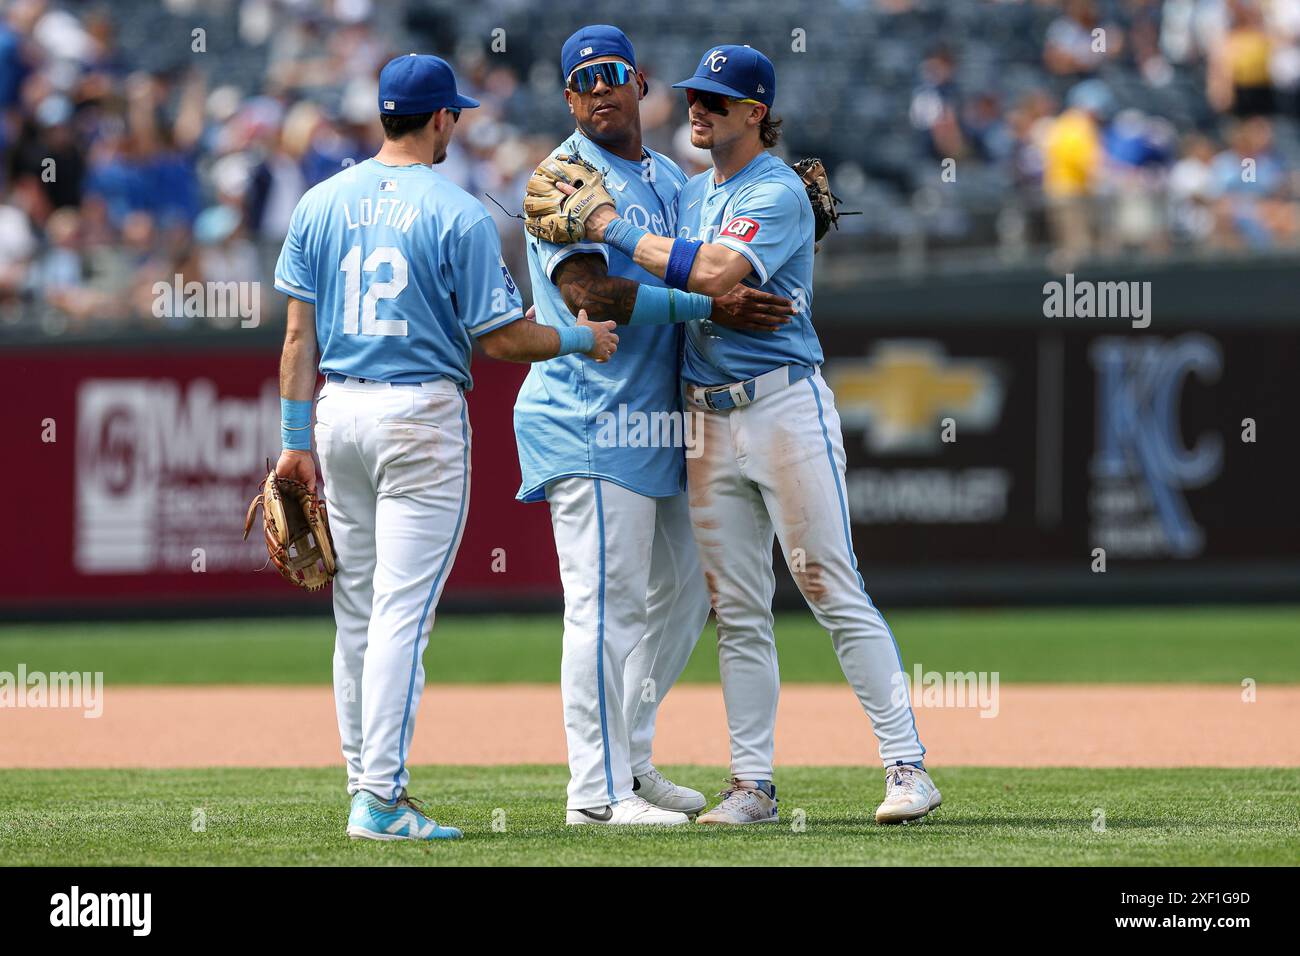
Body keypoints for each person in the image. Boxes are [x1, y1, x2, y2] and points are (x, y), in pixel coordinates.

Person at [558, 44, 939, 825]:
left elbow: (710, 277)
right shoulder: (693, 192)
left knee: (832, 587)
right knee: (735, 608)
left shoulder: (776, 187)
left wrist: (603, 224)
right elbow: (665, 286)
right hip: (703, 412)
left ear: (755, 113)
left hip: (780, 406)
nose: (698, 109)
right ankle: (752, 785)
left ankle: (908, 767)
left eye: (718, 101)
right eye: (696, 96)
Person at [273, 54, 617, 842]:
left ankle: (365, 784)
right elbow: (500, 341)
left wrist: (294, 444)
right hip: (418, 417)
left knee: (358, 610)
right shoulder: (458, 211)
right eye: (451, 115)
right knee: (401, 613)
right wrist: (579, 335)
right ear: (439, 120)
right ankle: (381, 800)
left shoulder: (320, 201)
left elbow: (298, 336)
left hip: (338, 411)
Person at [514, 25, 792, 827]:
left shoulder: (671, 176)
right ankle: (594, 796)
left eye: (612, 73)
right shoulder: (561, 176)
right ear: (569, 99)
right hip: (589, 415)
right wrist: (714, 302)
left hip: (659, 423)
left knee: (682, 598)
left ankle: (630, 760)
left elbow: (710, 255)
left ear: (641, 83)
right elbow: (594, 300)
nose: (599, 88)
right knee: (603, 606)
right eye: (581, 80)